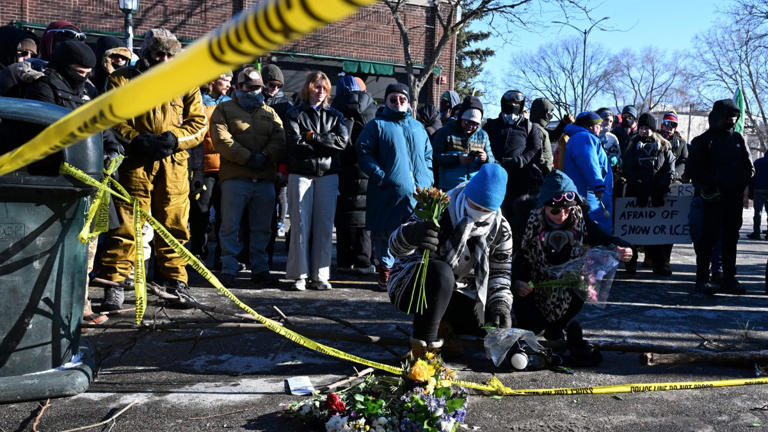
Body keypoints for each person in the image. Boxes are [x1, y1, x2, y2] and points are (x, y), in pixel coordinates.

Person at [99, 28, 207, 310]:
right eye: (160, 53)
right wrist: (136, 139)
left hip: (173, 165)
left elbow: (198, 124)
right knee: (126, 224)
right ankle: (115, 283)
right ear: (147, 53)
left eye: (171, 54)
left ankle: (176, 282)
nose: (165, 59)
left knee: (174, 224)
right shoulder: (121, 79)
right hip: (136, 163)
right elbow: (112, 117)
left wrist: (175, 139)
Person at [386, 164, 513, 357]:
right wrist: (412, 234)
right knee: (442, 274)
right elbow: (395, 248)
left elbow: (501, 273)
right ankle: (425, 345)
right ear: (466, 195)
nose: (477, 213)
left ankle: (446, 326)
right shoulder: (438, 207)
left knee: (496, 319)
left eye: (484, 210)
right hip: (415, 285)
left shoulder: (500, 230)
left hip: (461, 291)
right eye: (474, 205)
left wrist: (500, 303)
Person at [512, 171, 631, 346]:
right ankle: (527, 327)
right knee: (532, 325)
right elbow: (508, 256)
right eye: (555, 210)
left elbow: (602, 237)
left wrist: (622, 247)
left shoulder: (579, 218)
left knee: (583, 286)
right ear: (543, 206)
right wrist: (515, 281)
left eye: (567, 210)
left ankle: (557, 328)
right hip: (532, 282)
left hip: (566, 282)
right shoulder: (525, 222)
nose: (562, 216)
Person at [211, 67, 285, 288]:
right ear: (238, 86)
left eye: (258, 88)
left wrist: (264, 156)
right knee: (230, 226)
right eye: (251, 87)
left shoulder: (269, 113)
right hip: (236, 178)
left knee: (262, 228)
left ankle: (260, 269)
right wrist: (248, 158)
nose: (256, 91)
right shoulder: (223, 110)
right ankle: (228, 268)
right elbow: (221, 140)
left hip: (264, 179)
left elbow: (279, 138)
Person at [357, 82, 433, 291]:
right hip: (387, 192)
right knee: (385, 233)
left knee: (414, 234)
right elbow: (364, 153)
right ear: (387, 101)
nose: (398, 102)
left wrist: (428, 179)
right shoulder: (376, 125)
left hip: (418, 193)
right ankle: (385, 271)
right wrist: (381, 175)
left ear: (408, 102)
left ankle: (407, 274)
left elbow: (428, 156)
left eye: (402, 99)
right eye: (393, 99)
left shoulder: (418, 128)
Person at [284, 71, 349, 291]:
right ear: (308, 88)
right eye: (316, 87)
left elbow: (342, 142)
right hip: (301, 173)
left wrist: (312, 137)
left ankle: (320, 275)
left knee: (324, 227)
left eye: (324, 88)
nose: (320, 91)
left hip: (328, 176)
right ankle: (299, 275)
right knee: (300, 225)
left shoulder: (336, 115)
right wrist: (324, 143)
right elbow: (294, 144)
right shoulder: (294, 113)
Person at [687, 99, 753, 294]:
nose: (732, 120)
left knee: (730, 240)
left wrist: (739, 183)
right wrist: (711, 184)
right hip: (711, 199)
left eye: (735, 116)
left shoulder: (738, 140)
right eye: (728, 116)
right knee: (707, 240)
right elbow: (693, 170)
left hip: (733, 200)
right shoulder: (703, 141)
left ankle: (729, 278)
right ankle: (702, 279)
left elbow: (750, 168)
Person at [331, 75, 377, 274]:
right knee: (365, 215)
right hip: (367, 170)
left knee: (344, 215)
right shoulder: (373, 111)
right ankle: (363, 260)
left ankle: (343, 259)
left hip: (341, 169)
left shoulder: (334, 110)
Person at [622, 113, 676, 276]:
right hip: (637, 193)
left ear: (652, 129)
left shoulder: (664, 145)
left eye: (647, 128)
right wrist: (638, 185)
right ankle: (631, 263)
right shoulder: (632, 145)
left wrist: (661, 188)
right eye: (641, 128)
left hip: (658, 194)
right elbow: (628, 168)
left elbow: (669, 169)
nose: (644, 131)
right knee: (633, 232)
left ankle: (660, 263)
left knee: (658, 232)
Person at [187, 72, 232, 268]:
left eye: (231, 81)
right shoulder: (197, 101)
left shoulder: (231, 103)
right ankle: (198, 252)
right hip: (203, 167)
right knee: (200, 212)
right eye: (225, 80)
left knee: (225, 214)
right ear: (213, 80)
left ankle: (222, 255)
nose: (229, 84)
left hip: (226, 167)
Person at [483, 89, 543, 223]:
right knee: (493, 213)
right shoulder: (492, 124)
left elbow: (536, 148)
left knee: (517, 216)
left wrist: (521, 160)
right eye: (510, 102)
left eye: (517, 102)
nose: (513, 105)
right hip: (494, 176)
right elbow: (483, 143)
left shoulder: (529, 127)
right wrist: (492, 160)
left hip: (520, 178)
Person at [563, 111, 614, 233]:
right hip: (590, 194)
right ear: (590, 126)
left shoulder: (579, 137)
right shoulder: (585, 138)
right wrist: (598, 187)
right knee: (596, 231)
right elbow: (589, 164)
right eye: (599, 125)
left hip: (588, 192)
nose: (601, 128)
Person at [431, 96, 494, 191]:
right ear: (461, 118)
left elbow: (492, 160)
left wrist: (486, 158)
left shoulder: (483, 135)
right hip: (448, 188)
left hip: (473, 188)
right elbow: (434, 157)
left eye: (475, 124)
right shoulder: (444, 132)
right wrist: (457, 159)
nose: (471, 127)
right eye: (467, 122)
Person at [659, 111, 688, 182]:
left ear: (675, 128)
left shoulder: (681, 143)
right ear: (662, 124)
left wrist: (675, 174)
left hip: (673, 178)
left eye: (673, 124)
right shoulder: (654, 139)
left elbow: (684, 162)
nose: (669, 127)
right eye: (667, 123)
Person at [529, 97, 555, 176]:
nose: (551, 115)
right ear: (543, 112)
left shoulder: (539, 128)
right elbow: (538, 156)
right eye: (549, 111)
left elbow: (554, 137)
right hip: (541, 175)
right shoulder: (537, 129)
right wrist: (547, 172)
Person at [749, 153, 768, 240]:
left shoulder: (757, 162)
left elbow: (752, 177)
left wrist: (750, 192)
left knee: (757, 213)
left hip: (758, 190)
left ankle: (756, 232)